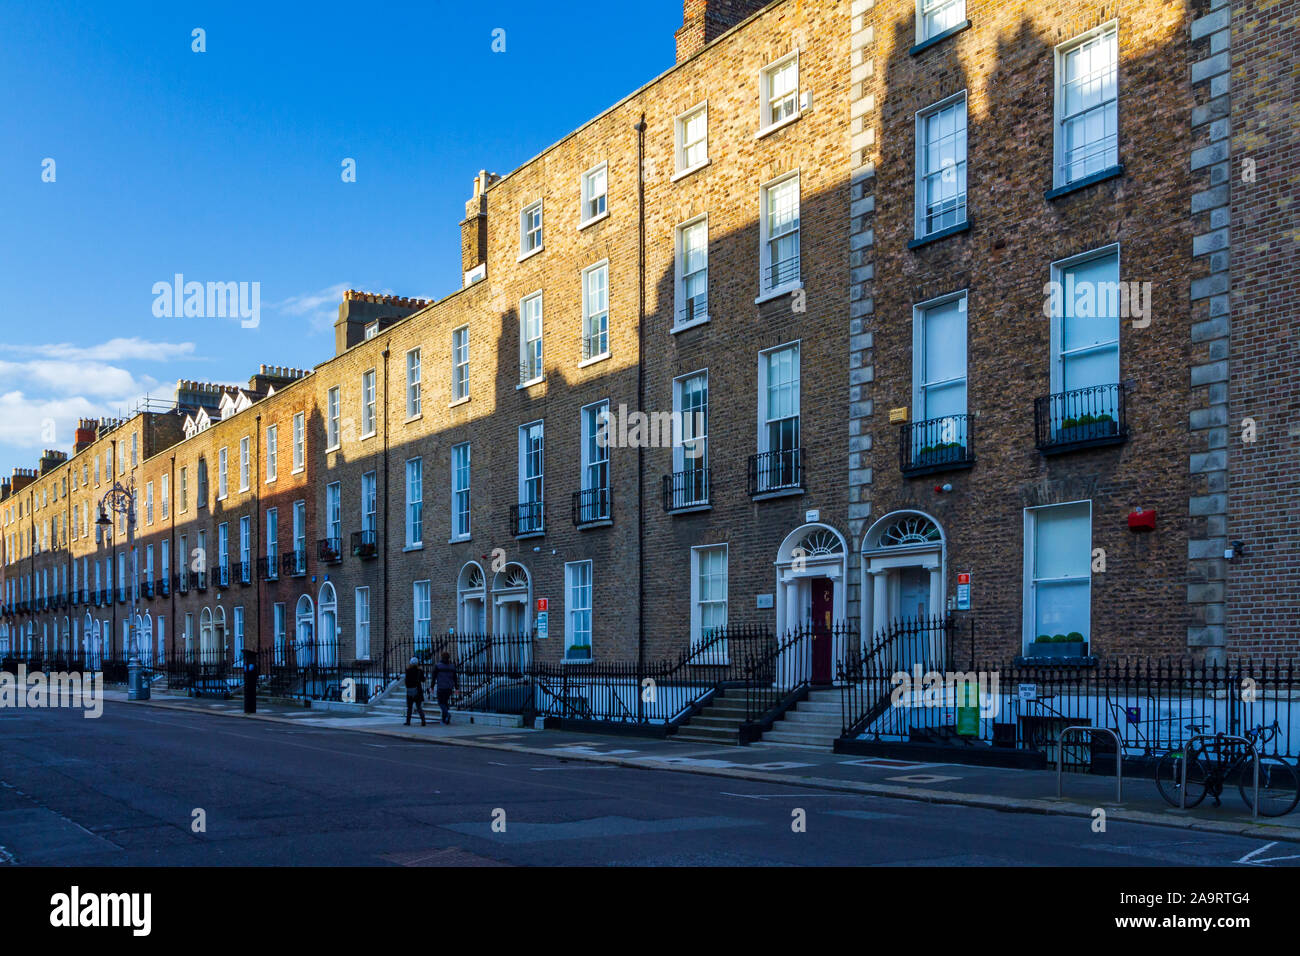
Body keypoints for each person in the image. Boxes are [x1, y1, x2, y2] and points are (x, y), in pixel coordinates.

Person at [431, 651, 458, 725]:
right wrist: (456, 688)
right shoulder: (452, 666)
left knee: (440, 703)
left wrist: (432, 687)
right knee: (445, 703)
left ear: (442, 657)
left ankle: (447, 714)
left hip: (441, 688)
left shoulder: (438, 666)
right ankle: (444, 720)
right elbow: (455, 678)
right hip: (449, 688)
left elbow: (433, 678)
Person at [404, 656, 427, 726]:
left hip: (410, 690)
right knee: (419, 706)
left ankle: (408, 721)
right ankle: (423, 720)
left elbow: (406, 681)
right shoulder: (420, 671)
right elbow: (423, 680)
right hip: (418, 690)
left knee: (409, 707)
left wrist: (408, 686)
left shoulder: (408, 671)